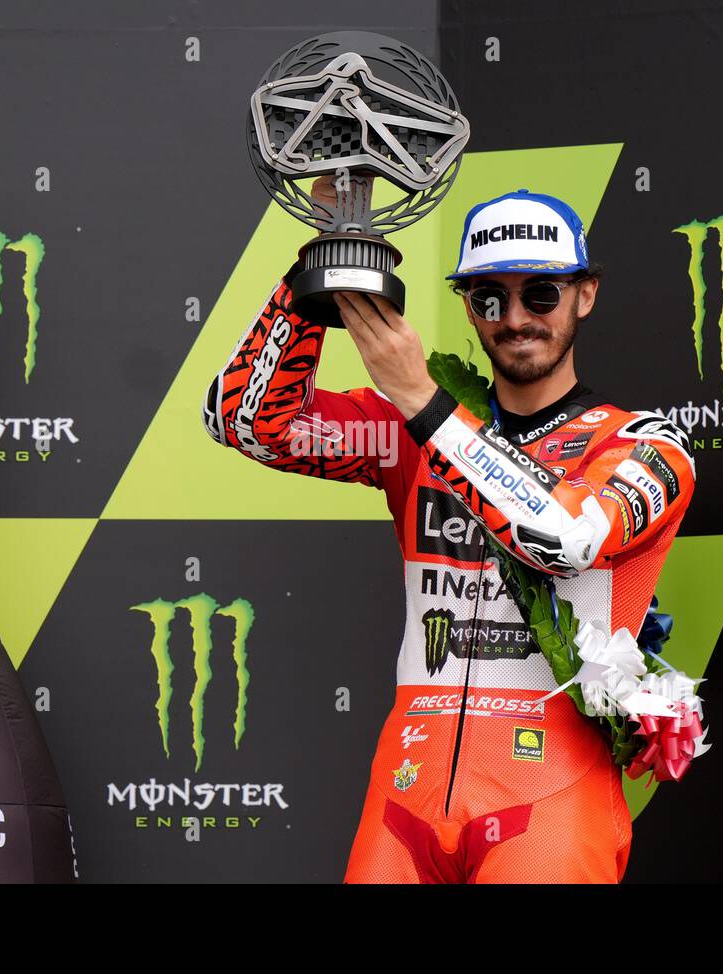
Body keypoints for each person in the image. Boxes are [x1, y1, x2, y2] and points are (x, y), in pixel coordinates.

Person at [202, 180, 696, 883]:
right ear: (467, 304)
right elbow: (247, 422)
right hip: (406, 789)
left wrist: (423, 404)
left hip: (551, 795)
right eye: (490, 297)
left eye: (541, 294)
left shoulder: (645, 445)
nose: (516, 317)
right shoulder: (409, 435)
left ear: (586, 294)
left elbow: (567, 538)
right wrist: (320, 269)